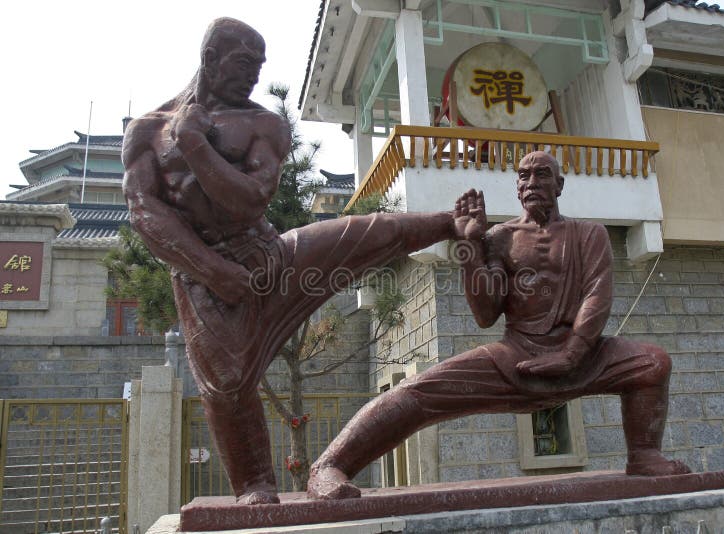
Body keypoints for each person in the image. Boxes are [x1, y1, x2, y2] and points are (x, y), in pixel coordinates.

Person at [122, 17, 479, 505]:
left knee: (364, 233)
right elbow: (145, 212)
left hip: (269, 254)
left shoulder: (263, 124)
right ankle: (254, 486)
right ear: (210, 59)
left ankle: (446, 223)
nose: (254, 76)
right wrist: (213, 270)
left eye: (260, 66)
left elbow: (250, 200)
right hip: (204, 279)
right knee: (226, 385)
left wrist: (195, 144)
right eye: (244, 64)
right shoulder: (147, 130)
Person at [307, 151, 690, 500]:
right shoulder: (500, 238)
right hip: (516, 356)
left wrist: (573, 353)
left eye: (542, 174)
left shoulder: (590, 234)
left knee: (652, 363)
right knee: (418, 391)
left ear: (559, 185)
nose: (531, 183)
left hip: (582, 352)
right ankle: (328, 467)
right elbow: (486, 313)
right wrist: (472, 246)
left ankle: (644, 455)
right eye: (523, 176)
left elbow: (597, 295)